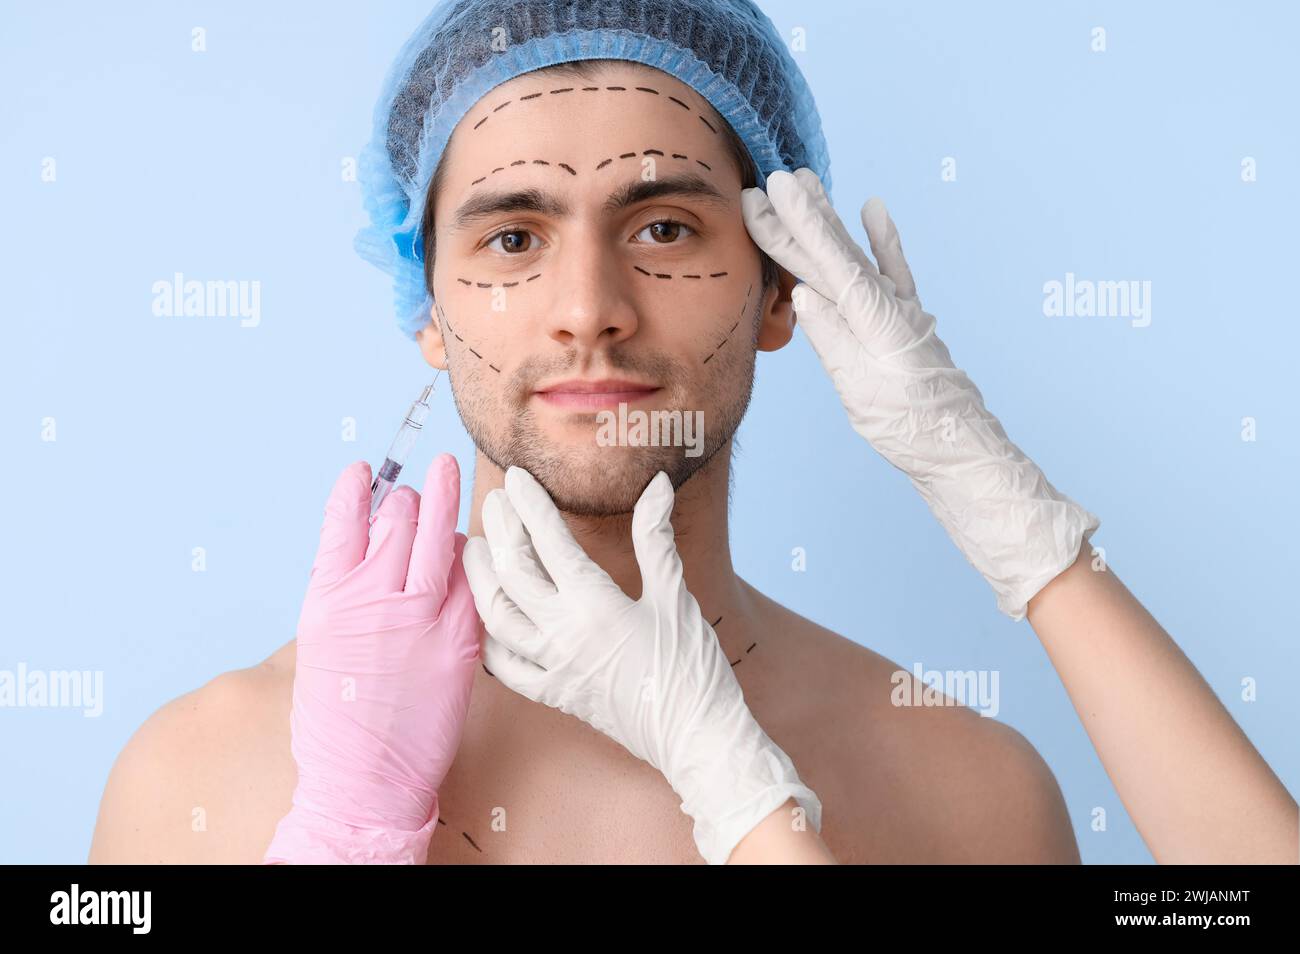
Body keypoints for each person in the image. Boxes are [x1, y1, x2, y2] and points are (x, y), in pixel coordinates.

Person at [89, 0, 1296, 865]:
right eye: (511, 239)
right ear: (427, 311)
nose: (588, 313)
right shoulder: (202, 783)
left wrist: (1010, 514)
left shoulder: (965, 789)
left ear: (783, 286)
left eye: (663, 227)